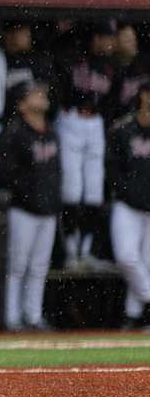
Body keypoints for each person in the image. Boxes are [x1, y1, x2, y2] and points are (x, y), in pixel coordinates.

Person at [0, 82, 61, 331]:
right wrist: (26, 194)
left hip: (48, 209)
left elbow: (56, 172)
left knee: (39, 266)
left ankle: (33, 316)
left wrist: (52, 200)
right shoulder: (14, 132)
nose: (42, 96)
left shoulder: (51, 131)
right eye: (34, 94)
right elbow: (3, 171)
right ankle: (11, 317)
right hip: (23, 208)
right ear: (21, 104)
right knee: (17, 265)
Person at [55, 19, 118, 271]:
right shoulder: (72, 55)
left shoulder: (111, 65)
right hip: (70, 119)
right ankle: (70, 251)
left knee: (94, 192)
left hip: (95, 123)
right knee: (71, 190)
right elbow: (59, 84)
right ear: (95, 37)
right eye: (105, 37)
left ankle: (87, 250)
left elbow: (112, 101)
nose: (109, 43)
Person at [0, 20, 51, 181]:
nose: (16, 36)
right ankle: (4, 183)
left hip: (32, 126)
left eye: (21, 31)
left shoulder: (39, 61)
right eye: (12, 32)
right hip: (6, 124)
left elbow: (48, 97)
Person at [107, 81, 150, 329]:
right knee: (126, 257)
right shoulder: (123, 129)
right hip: (127, 205)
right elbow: (112, 169)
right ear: (143, 96)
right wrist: (129, 193)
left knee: (147, 263)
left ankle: (133, 316)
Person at [110, 24, 150, 123]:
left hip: (143, 120)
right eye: (127, 40)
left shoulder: (145, 63)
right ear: (116, 43)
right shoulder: (112, 69)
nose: (133, 43)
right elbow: (111, 104)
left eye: (133, 39)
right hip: (122, 120)